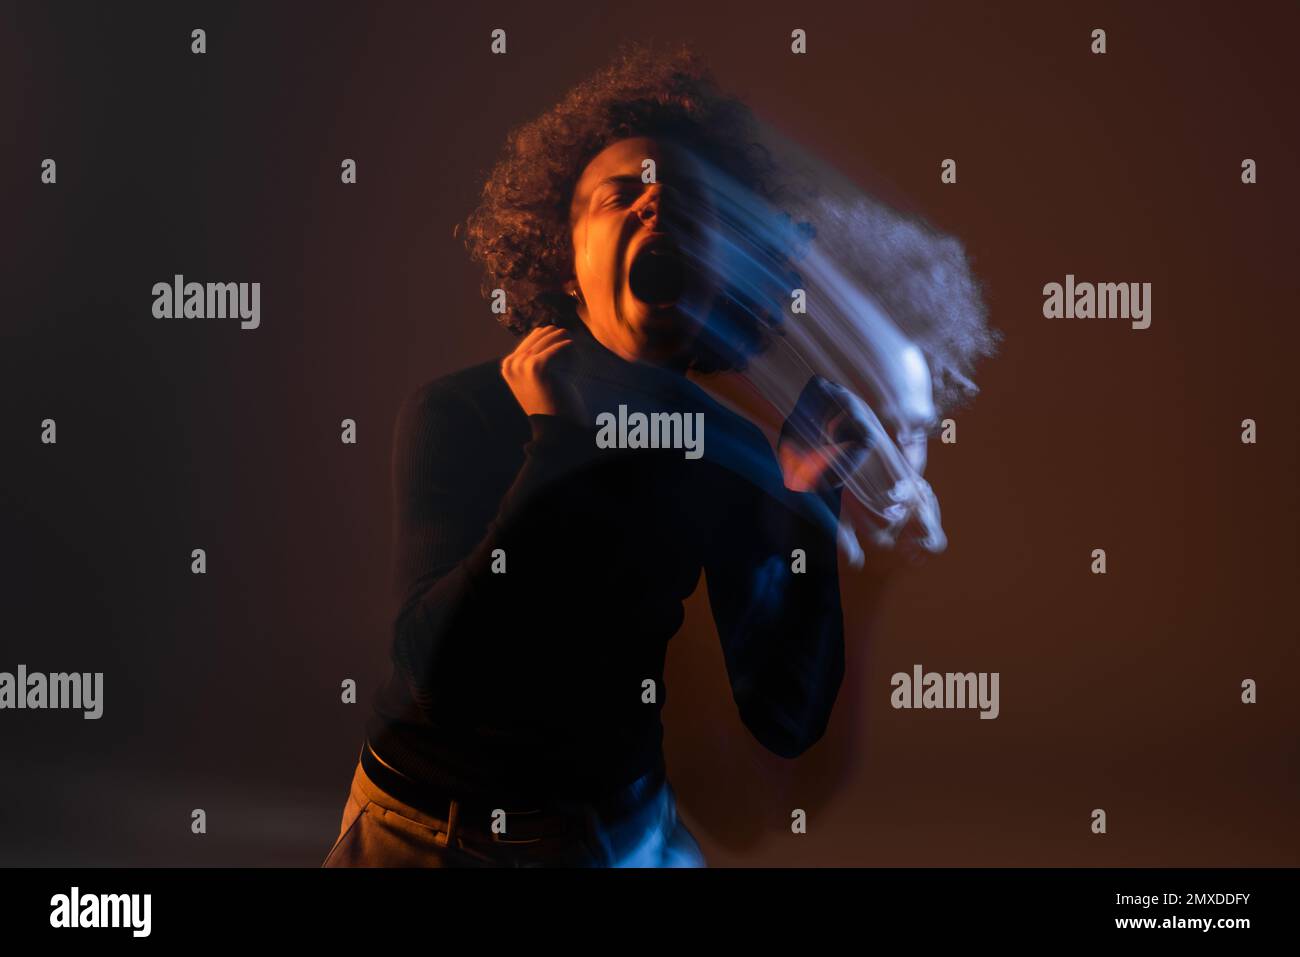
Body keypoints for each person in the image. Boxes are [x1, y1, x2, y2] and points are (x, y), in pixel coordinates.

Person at [323, 44, 880, 868]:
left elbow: (784, 716)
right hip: (425, 836)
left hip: (620, 836)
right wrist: (557, 451)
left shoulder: (724, 453)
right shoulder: (466, 411)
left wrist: (804, 500)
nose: (659, 207)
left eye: (692, 206)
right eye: (625, 194)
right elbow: (438, 667)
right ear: (566, 263)